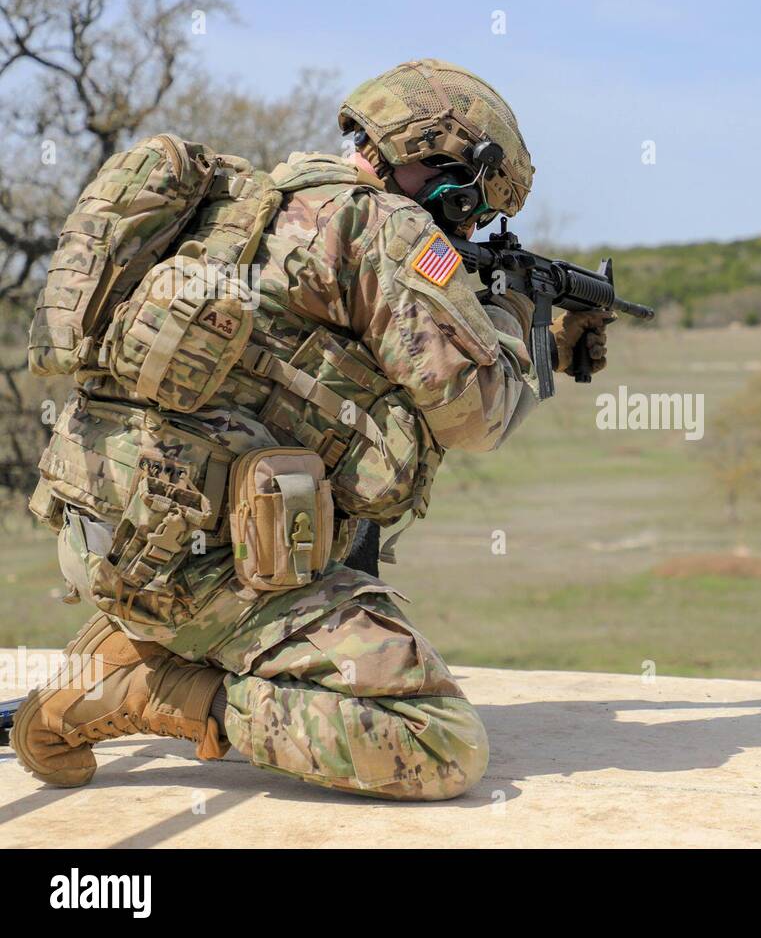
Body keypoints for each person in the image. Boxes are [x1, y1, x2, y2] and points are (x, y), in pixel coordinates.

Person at [13, 59, 610, 801]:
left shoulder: (239, 204)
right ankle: (151, 689)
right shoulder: (384, 227)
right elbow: (477, 414)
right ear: (446, 164)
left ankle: (140, 642)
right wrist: (517, 326)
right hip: (210, 573)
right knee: (439, 743)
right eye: (474, 205)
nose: (469, 225)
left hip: (106, 547)